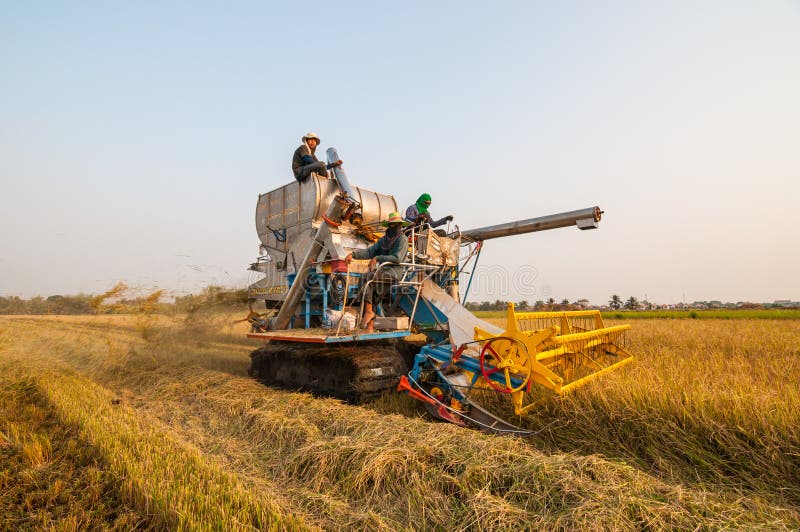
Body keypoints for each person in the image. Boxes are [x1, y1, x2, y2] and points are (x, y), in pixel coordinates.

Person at [345, 212, 410, 333]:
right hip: (383, 272)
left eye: (398, 225)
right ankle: (370, 327)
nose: (396, 227)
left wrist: (378, 258)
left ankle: (369, 312)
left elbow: (398, 258)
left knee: (367, 277)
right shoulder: (383, 240)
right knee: (372, 293)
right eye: (393, 225)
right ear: (389, 226)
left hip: (394, 273)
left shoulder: (403, 239)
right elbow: (369, 252)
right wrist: (352, 255)